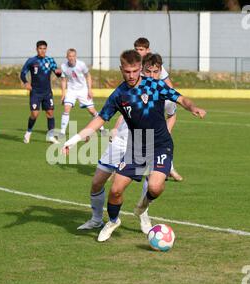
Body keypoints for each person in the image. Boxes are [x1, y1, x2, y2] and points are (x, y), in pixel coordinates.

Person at [63, 50, 206, 242]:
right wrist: (74, 140)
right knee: (115, 191)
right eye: (127, 71)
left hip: (161, 144)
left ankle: (143, 206)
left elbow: (181, 99)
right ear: (121, 69)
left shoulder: (155, 86)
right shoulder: (119, 94)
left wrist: (193, 107)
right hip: (138, 145)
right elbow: (100, 119)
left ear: (140, 68)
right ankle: (113, 221)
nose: (131, 76)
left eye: (135, 71)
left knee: (155, 187)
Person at [77, 53, 179, 232]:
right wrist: (113, 129)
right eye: (149, 71)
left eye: (156, 72)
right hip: (121, 140)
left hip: (146, 142)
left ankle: (143, 215)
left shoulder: (158, 90)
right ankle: (97, 219)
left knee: (152, 182)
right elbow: (118, 113)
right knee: (98, 182)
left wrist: (164, 136)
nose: (151, 75)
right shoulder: (124, 90)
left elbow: (171, 114)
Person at [134, 37, 183, 181]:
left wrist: (171, 98)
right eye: (136, 49)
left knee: (162, 138)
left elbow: (169, 86)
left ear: (147, 50)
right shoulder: (134, 67)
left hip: (157, 103)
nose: (138, 52)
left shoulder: (155, 65)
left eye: (141, 49)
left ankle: (169, 168)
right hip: (140, 106)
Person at [20, 40, 62, 144]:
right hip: (35, 92)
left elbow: (56, 73)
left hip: (47, 92)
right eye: (40, 48)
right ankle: (28, 132)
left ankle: (51, 136)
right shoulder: (32, 61)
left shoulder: (50, 60)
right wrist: (26, 82)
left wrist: (58, 73)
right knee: (34, 114)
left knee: (50, 113)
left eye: (44, 49)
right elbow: (22, 73)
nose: (42, 51)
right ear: (36, 49)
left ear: (46, 49)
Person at [60, 48, 104, 136]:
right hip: (71, 90)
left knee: (92, 111)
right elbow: (63, 80)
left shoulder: (81, 64)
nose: (71, 58)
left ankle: (102, 129)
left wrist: (89, 90)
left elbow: (88, 76)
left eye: (73, 56)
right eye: (69, 56)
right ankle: (62, 132)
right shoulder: (63, 66)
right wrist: (63, 93)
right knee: (66, 109)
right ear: (67, 57)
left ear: (75, 56)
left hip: (83, 90)